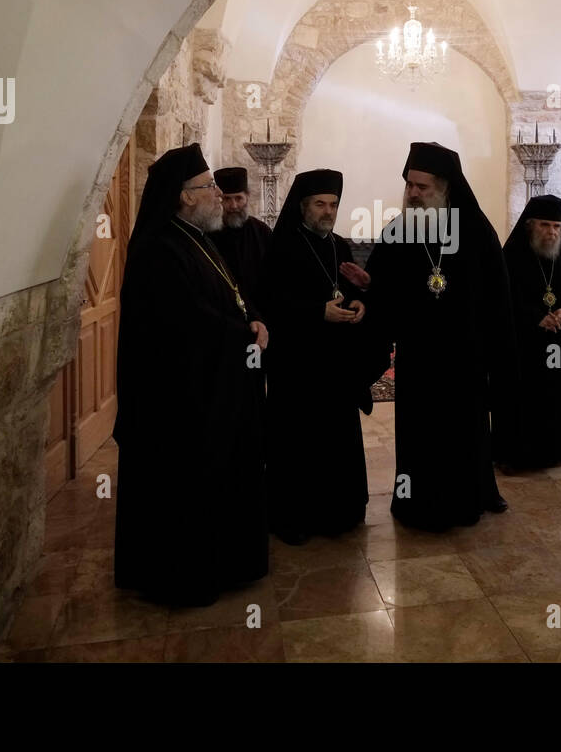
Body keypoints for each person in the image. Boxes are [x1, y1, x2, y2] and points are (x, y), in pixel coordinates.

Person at [112, 143, 270, 606]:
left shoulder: (198, 238)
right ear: (184, 196)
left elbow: (230, 296)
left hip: (209, 391)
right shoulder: (161, 249)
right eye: (209, 187)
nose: (219, 195)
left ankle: (224, 563)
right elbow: (185, 322)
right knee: (183, 492)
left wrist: (253, 318)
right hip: (177, 404)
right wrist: (242, 333)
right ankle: (182, 576)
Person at [359, 142, 513, 532]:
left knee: (464, 432)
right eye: (409, 184)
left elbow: (498, 298)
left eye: (422, 187)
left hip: (466, 358)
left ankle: (468, 499)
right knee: (419, 435)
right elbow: (382, 291)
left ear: (444, 187)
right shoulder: (399, 231)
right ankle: (416, 503)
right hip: (420, 357)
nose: (412, 193)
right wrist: (366, 288)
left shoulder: (477, 231)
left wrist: (499, 356)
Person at [260, 169, 375, 544]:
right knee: (298, 443)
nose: (328, 212)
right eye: (320, 204)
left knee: (336, 439)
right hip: (296, 366)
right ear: (303, 206)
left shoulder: (340, 246)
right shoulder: (280, 247)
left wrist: (359, 303)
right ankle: (296, 518)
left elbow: (348, 288)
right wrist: (316, 312)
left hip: (335, 366)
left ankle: (340, 511)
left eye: (334, 205)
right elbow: (271, 304)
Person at [495, 194, 561, 470]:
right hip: (522, 342)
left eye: (556, 227)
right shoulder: (512, 255)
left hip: (556, 341)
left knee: (553, 396)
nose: (551, 232)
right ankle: (519, 454)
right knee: (523, 397)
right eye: (545, 225)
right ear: (530, 225)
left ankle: (554, 450)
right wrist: (536, 317)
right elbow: (503, 294)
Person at [208, 166, 272, 320]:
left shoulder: (262, 232)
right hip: (223, 318)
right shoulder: (208, 233)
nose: (233, 206)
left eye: (238, 198)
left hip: (262, 314)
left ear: (247, 197)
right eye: (227, 199)